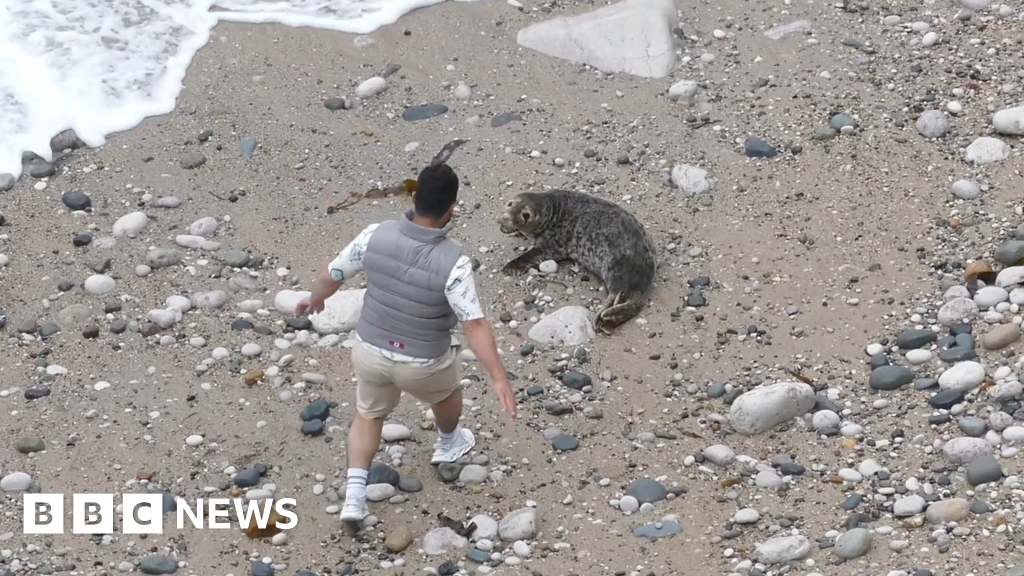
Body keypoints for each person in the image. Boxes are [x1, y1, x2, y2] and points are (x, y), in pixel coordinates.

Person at [295, 163, 517, 524]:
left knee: (368, 414)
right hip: (422, 363)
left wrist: (314, 299)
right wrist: (498, 378)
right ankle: (448, 443)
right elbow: (473, 324)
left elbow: (333, 273)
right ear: (452, 208)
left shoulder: (374, 234)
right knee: (447, 395)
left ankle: (354, 495)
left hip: (369, 350)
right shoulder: (454, 262)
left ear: (414, 198)